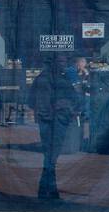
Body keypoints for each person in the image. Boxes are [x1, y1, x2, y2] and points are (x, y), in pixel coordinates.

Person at [32, 54, 82, 199]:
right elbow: (35, 102)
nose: (63, 64)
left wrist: (68, 109)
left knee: (51, 157)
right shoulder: (47, 79)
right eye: (61, 61)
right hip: (52, 122)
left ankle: (47, 190)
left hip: (55, 121)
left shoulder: (60, 78)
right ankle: (48, 190)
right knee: (51, 157)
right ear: (53, 63)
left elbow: (74, 98)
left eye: (65, 61)